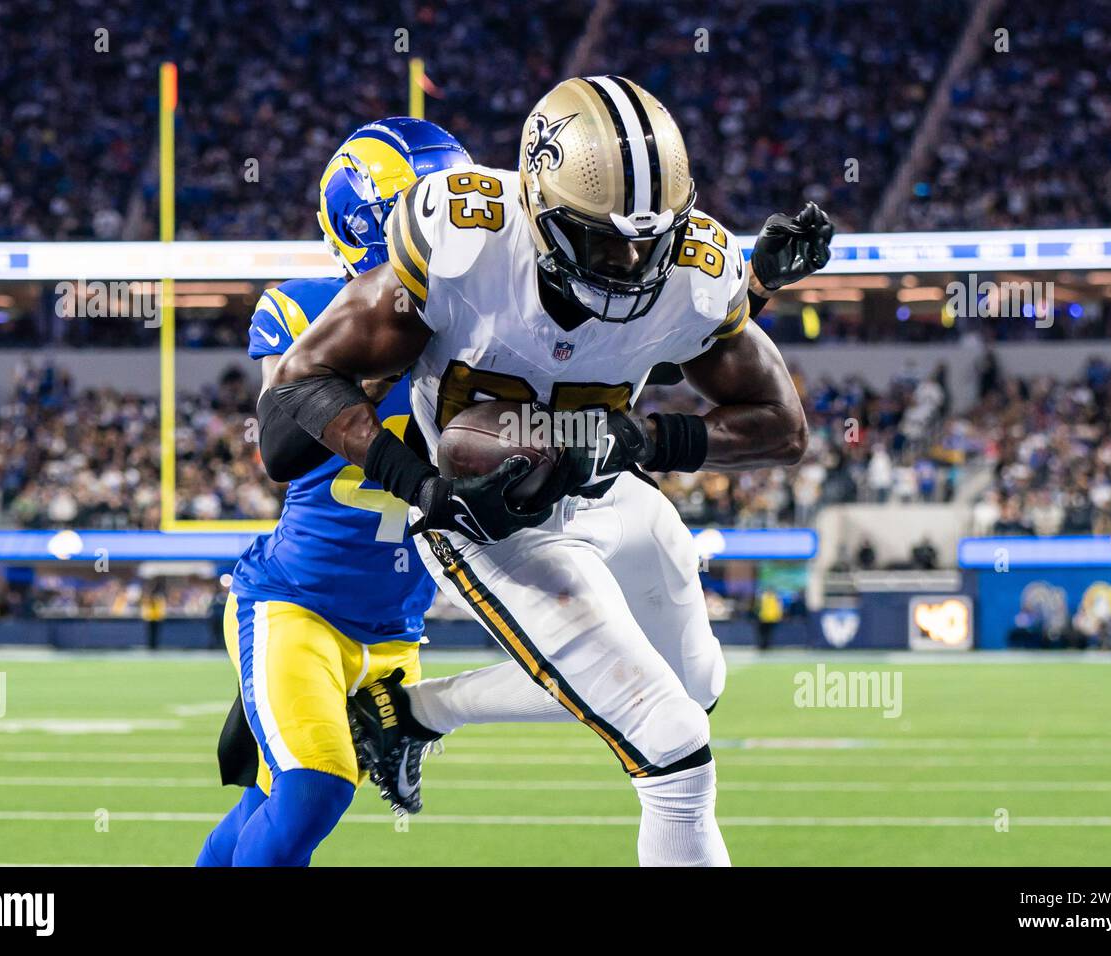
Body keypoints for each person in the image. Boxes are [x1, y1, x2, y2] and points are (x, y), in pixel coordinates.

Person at [263, 76, 832, 866]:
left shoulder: (691, 263)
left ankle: (413, 714)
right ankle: (415, 715)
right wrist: (422, 485)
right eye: (604, 239)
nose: (632, 261)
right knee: (673, 744)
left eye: (651, 239)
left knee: (696, 684)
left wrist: (642, 440)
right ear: (537, 209)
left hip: (606, 488)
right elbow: (293, 396)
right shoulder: (466, 242)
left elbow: (781, 428)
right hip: (494, 520)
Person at [195, 118, 473, 867]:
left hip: (395, 626)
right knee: (315, 789)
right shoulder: (307, 306)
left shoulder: (482, 322)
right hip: (297, 603)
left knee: (267, 803)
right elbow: (280, 440)